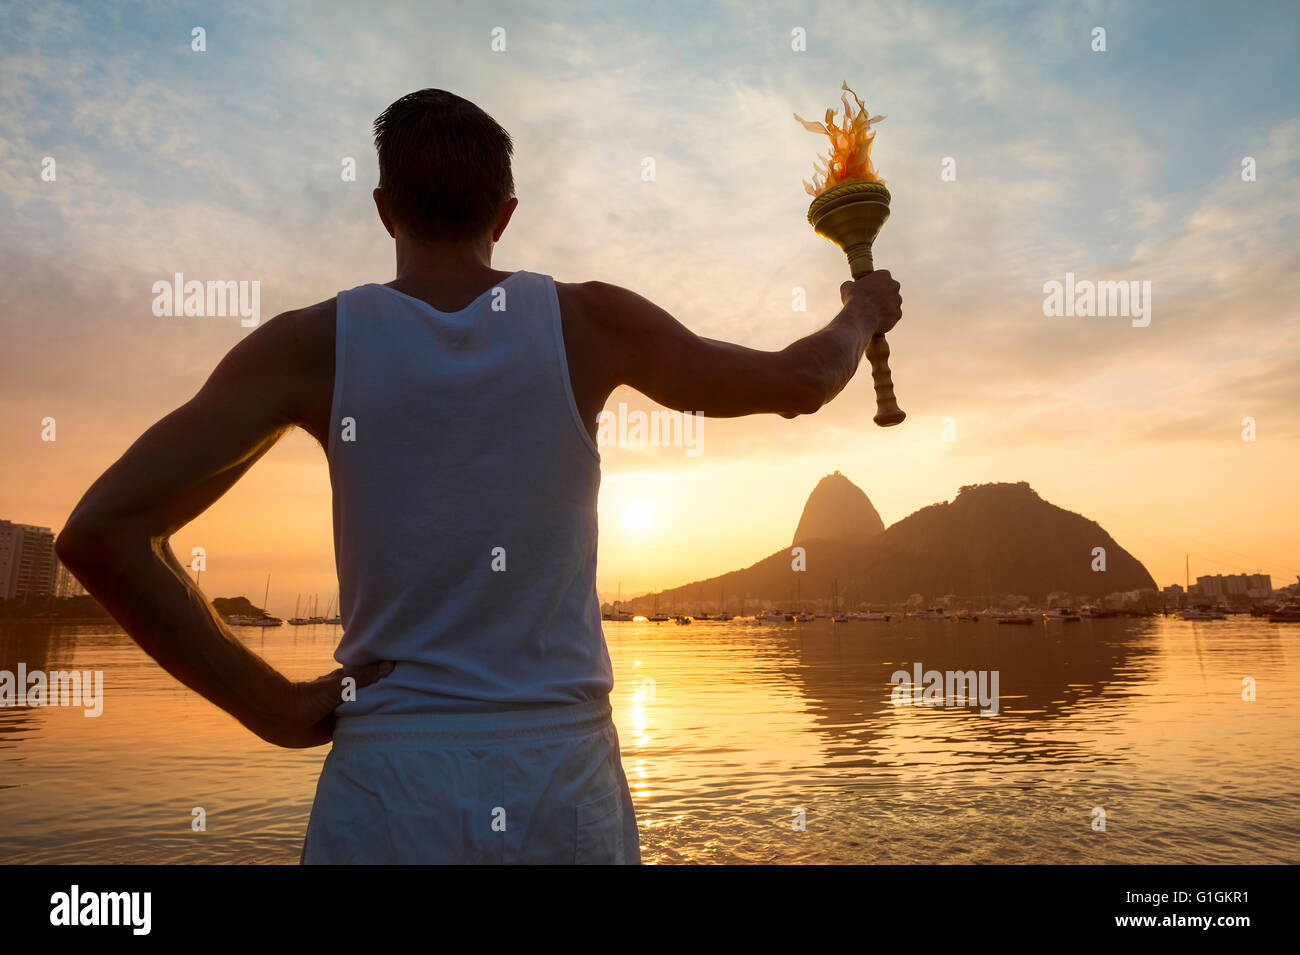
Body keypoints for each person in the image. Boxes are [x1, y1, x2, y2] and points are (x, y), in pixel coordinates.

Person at [55, 88, 903, 864]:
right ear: (504, 213)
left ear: (385, 209)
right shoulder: (590, 321)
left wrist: (268, 703)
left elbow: (103, 534)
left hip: (388, 784)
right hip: (556, 782)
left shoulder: (307, 347)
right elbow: (797, 382)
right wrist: (861, 312)